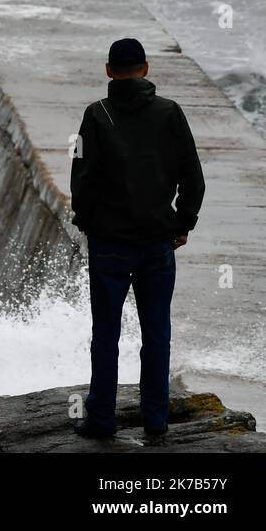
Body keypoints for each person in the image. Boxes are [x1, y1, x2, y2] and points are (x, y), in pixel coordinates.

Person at [69, 37, 205, 445]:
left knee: (106, 333)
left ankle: (102, 418)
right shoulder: (170, 113)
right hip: (156, 243)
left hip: (110, 242)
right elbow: (193, 177)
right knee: (157, 333)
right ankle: (155, 419)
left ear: (109, 70)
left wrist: (88, 222)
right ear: (145, 68)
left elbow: (82, 177)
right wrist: (183, 223)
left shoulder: (96, 115)